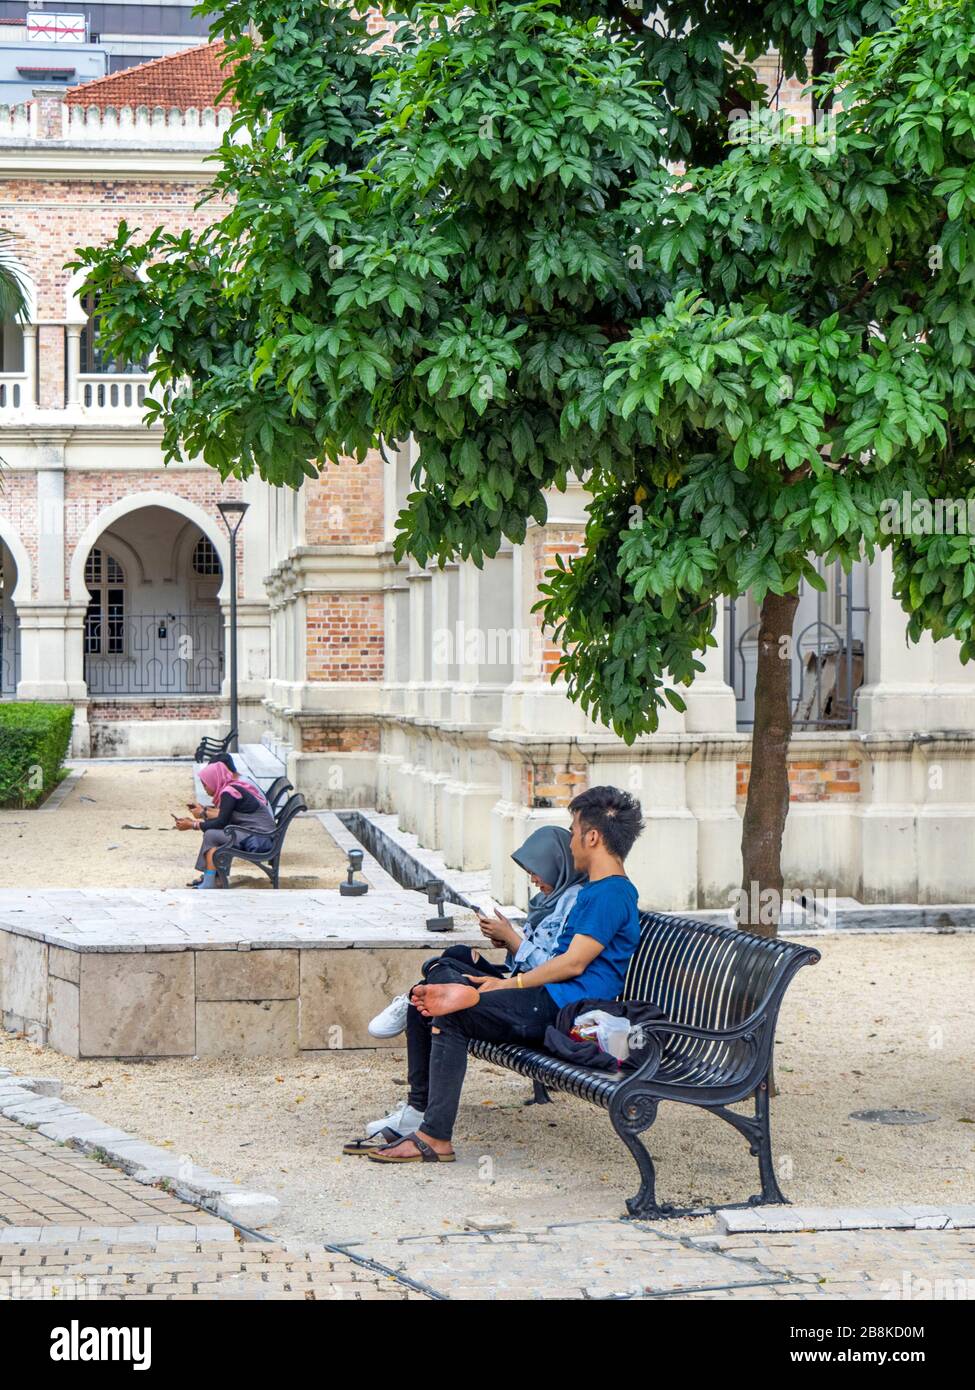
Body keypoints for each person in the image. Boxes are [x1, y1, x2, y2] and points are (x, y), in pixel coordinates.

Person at [348, 785, 645, 1165]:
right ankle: (420, 1112)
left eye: (572, 832)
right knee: (433, 997)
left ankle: (434, 1135)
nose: (570, 843)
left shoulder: (611, 894)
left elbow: (573, 964)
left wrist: (508, 982)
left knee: (448, 1011)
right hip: (549, 997)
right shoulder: (599, 891)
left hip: (562, 1008)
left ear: (592, 836)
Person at [355, 826, 586, 1149]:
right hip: (522, 984)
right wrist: (505, 942)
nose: (534, 879)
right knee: (456, 957)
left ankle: (418, 1003)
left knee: (439, 1006)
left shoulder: (574, 901)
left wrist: (513, 940)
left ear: (557, 864)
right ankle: (431, 989)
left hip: (542, 997)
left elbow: (552, 967)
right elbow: (527, 962)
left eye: (537, 871)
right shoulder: (549, 899)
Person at [172, 760, 277, 890]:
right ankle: (214, 878)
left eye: (205, 784)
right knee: (213, 835)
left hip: (258, 836)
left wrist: (193, 825)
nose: (204, 788)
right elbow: (223, 817)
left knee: (211, 835)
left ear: (214, 780)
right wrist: (202, 814)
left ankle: (211, 880)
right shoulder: (232, 788)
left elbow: (222, 822)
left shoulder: (229, 792)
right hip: (258, 833)